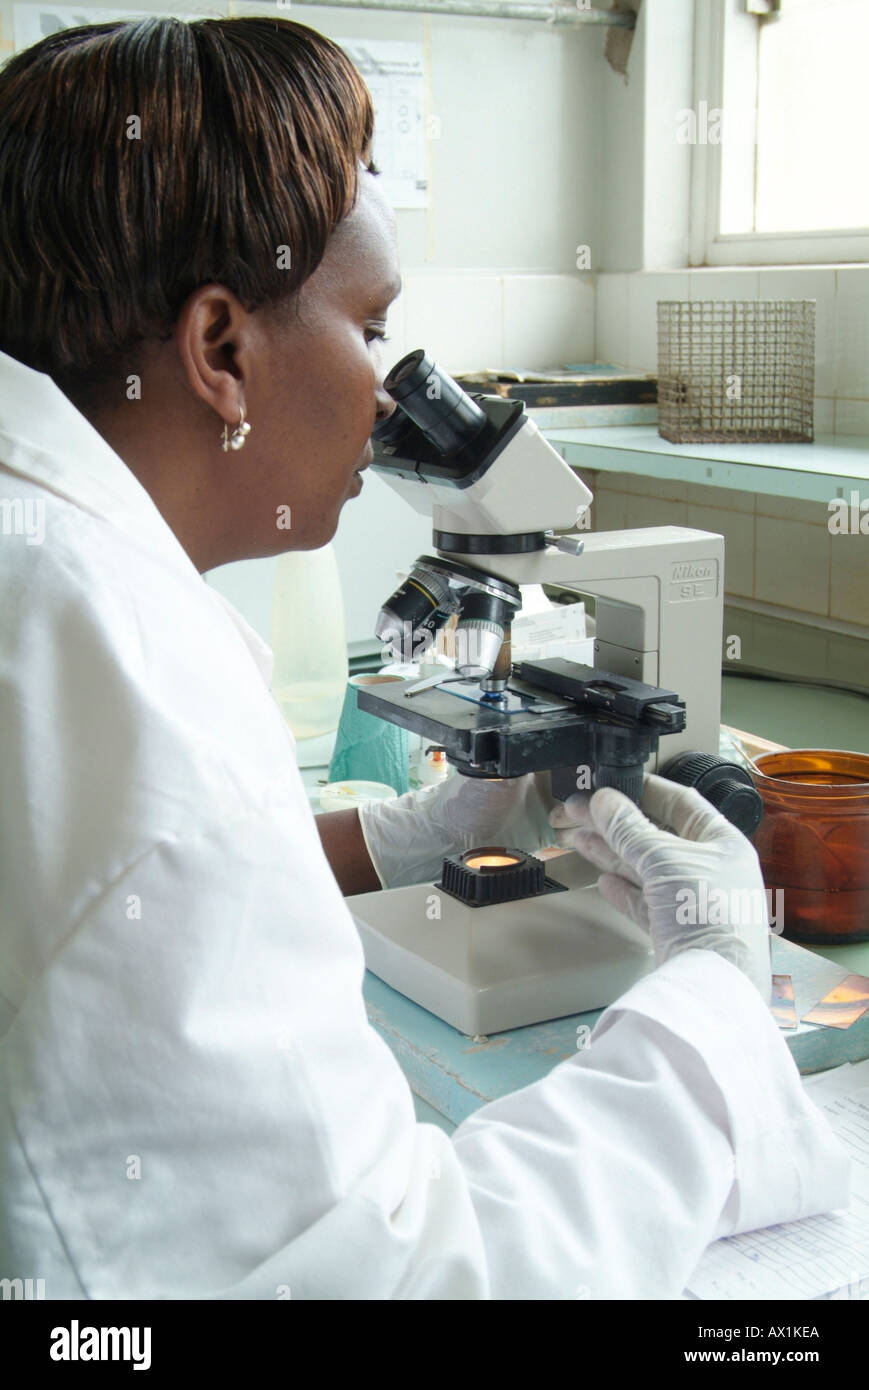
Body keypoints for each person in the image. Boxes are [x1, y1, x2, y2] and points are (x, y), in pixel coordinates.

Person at [0, 15, 848, 1301]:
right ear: (221, 349)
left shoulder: (54, 569)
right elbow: (402, 1279)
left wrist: (401, 838)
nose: (388, 396)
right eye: (369, 325)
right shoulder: (130, 675)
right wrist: (718, 992)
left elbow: (125, 889)